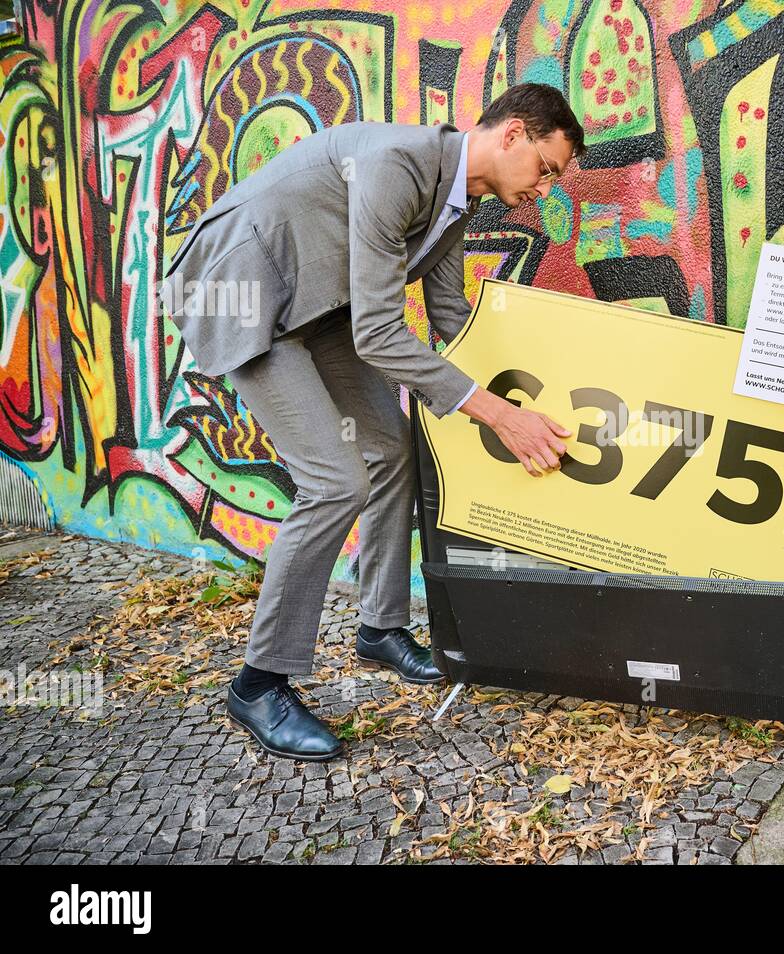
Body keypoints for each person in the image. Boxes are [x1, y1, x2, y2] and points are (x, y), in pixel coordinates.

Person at [163, 83, 584, 761]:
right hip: (239, 292)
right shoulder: (399, 164)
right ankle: (258, 683)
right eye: (548, 168)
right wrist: (500, 415)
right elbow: (383, 335)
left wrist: (537, 397)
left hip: (317, 309)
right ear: (511, 135)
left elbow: (451, 322)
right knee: (335, 480)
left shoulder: (458, 200)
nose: (547, 188)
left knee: (390, 448)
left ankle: (380, 627)